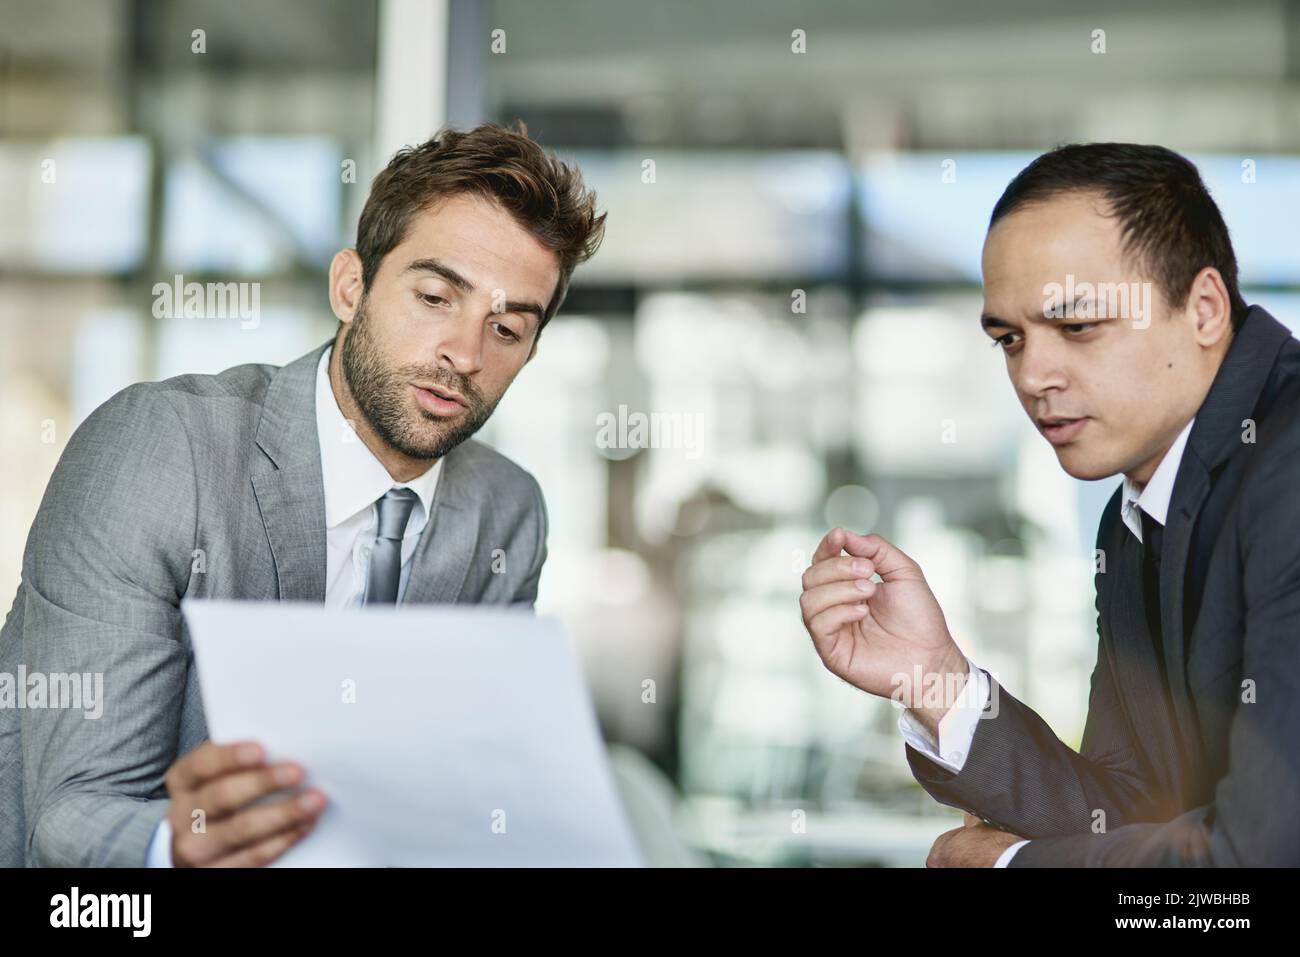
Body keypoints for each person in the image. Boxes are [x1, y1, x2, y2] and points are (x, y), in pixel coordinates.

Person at [0, 121, 605, 867]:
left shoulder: (506, 512)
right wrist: (180, 843)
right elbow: (67, 817)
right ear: (350, 286)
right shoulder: (161, 449)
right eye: (434, 296)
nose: (465, 353)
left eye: (507, 327)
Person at [801, 143, 1300, 866]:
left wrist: (1010, 867)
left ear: (1204, 310)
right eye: (1010, 338)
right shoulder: (1137, 510)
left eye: (1077, 327)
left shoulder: (1286, 469)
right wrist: (936, 680)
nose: (1033, 375)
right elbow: (1127, 810)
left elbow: (1260, 862)